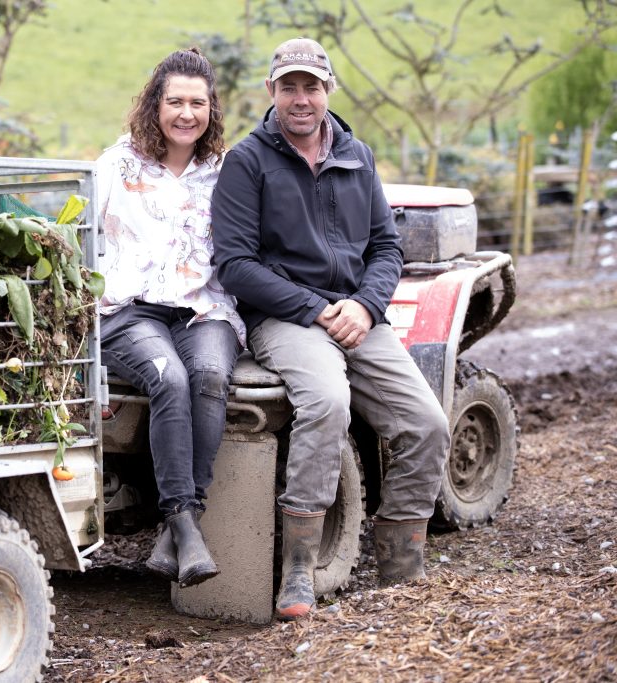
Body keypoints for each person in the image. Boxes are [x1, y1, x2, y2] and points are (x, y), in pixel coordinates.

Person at [210, 37, 451, 618]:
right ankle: (300, 566)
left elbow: (386, 247)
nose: (301, 98)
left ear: (329, 91)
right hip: (288, 317)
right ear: (270, 91)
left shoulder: (356, 155)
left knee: (427, 423)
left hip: (359, 315)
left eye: (312, 87)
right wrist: (318, 309)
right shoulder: (248, 162)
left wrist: (365, 306)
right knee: (326, 402)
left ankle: (400, 565)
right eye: (289, 87)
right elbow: (235, 265)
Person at [96, 47, 246, 588]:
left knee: (208, 376)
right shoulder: (117, 165)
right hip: (129, 309)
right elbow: (76, 233)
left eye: (197, 103)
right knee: (170, 378)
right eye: (175, 101)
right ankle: (184, 520)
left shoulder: (224, 171)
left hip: (204, 307)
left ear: (212, 109)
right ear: (155, 105)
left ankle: (178, 527)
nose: (187, 113)